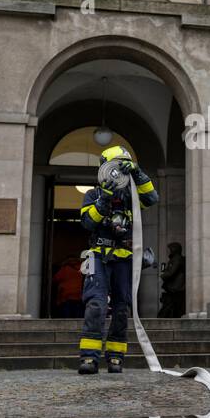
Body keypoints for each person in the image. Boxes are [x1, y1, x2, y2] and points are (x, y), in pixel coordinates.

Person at [76, 145, 159, 374]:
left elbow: (152, 198)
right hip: (99, 257)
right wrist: (104, 201)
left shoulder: (132, 198)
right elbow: (87, 223)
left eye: (123, 169)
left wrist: (138, 174)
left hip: (125, 258)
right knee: (96, 304)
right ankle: (90, 358)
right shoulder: (93, 195)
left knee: (122, 308)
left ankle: (115, 357)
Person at [160, 242, 186, 317]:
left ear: (174, 249)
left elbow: (171, 272)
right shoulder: (175, 259)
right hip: (176, 287)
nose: (168, 251)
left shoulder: (177, 258)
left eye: (170, 249)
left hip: (176, 287)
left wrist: (162, 275)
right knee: (174, 306)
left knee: (174, 306)